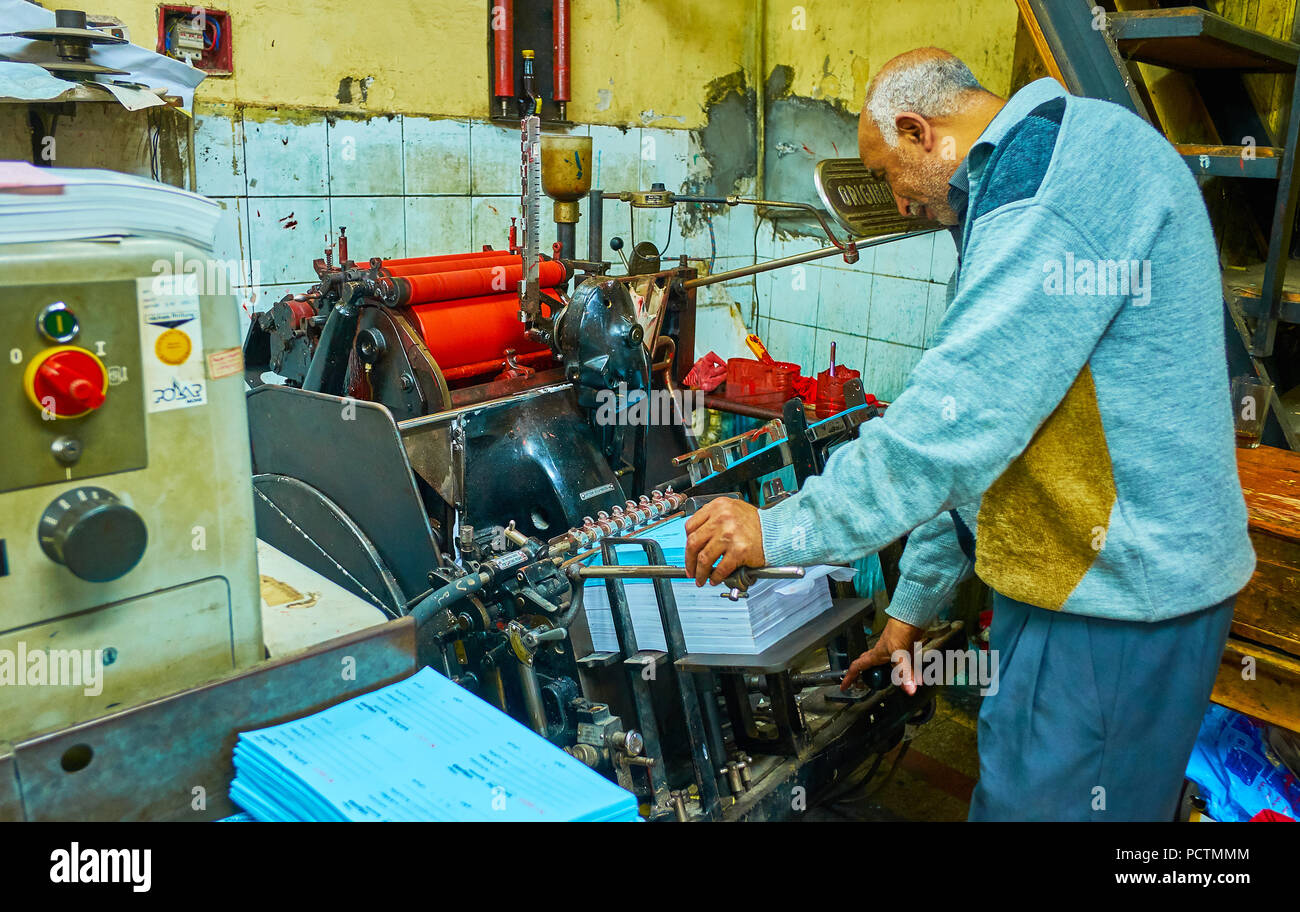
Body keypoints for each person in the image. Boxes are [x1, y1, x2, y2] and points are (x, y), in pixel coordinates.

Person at [682, 48, 1256, 821]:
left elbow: (955, 423)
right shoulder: (1035, 167)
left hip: (1114, 606)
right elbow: (992, 439)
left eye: (889, 177)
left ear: (920, 132)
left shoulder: (1043, 194)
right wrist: (913, 605)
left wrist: (777, 530)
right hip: (1087, 585)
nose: (898, 202)